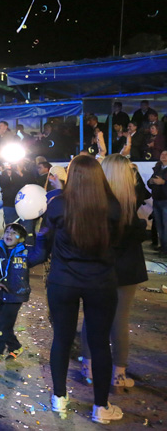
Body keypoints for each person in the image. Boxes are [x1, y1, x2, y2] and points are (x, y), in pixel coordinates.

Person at [39, 155, 124, 424]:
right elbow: (117, 243)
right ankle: (100, 407)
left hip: (63, 282)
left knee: (61, 339)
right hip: (100, 282)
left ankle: (59, 398)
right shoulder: (112, 206)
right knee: (99, 343)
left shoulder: (57, 205)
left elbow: (44, 242)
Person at [79, 154, 149, 388]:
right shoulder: (130, 204)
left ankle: (88, 367)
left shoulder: (95, 203)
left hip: (98, 267)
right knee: (120, 319)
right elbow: (138, 233)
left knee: (92, 317)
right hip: (127, 268)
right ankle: (118, 375)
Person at [0, 223, 46, 362]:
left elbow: (40, 255)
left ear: (21, 239)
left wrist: (40, 238)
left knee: (5, 324)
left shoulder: (25, 252)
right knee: (3, 324)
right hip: (2, 294)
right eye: (7, 232)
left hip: (16, 294)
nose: (9, 235)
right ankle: (15, 347)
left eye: (14, 233)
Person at [147, 150, 167, 258]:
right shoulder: (158, 168)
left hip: (165, 200)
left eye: (166, 154)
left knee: (165, 226)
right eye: (162, 154)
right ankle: (163, 247)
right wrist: (150, 182)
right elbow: (150, 183)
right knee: (159, 226)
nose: (163, 156)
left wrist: (164, 183)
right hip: (157, 200)